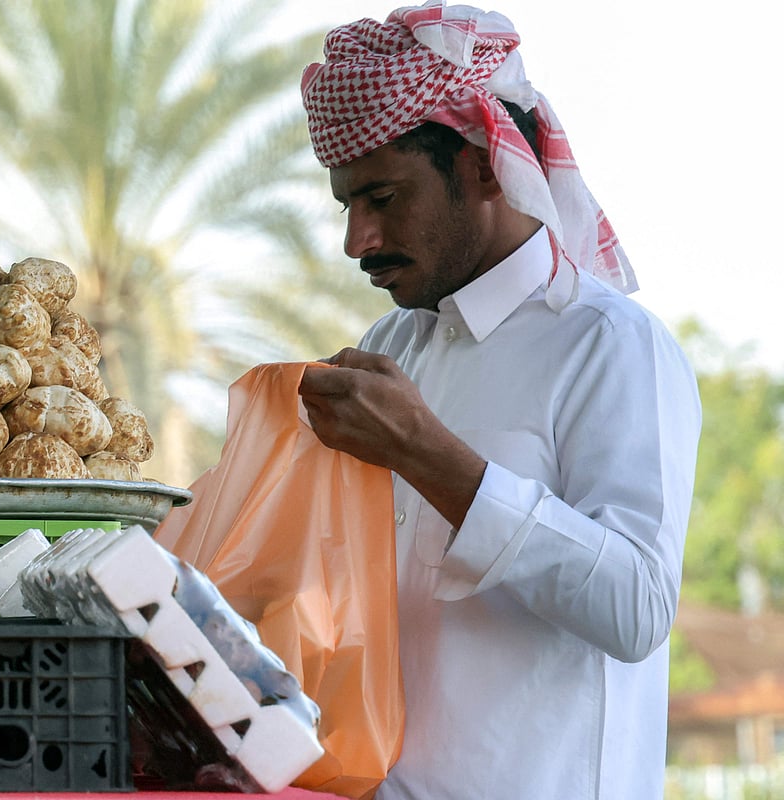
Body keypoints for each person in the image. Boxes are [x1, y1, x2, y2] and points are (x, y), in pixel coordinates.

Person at [294, 3, 701, 799]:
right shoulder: (396, 343)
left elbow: (638, 609)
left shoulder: (610, 344)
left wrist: (427, 454)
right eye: (347, 205)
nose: (357, 241)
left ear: (486, 165)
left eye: (382, 197)